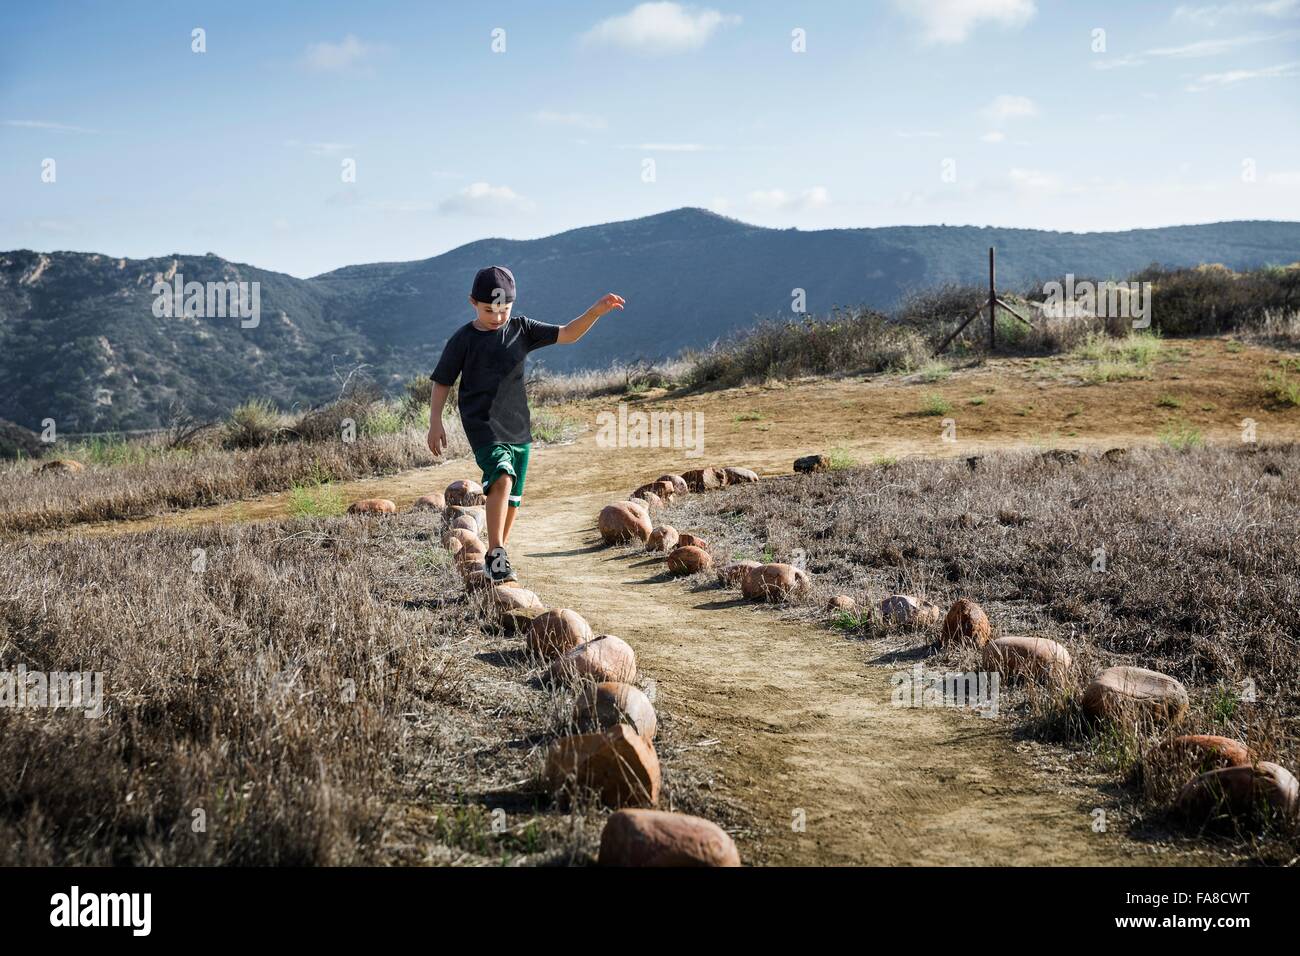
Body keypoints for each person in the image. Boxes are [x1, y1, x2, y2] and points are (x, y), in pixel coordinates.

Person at [427, 265, 625, 583]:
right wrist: (435, 422)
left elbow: (568, 333)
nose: (497, 316)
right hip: (482, 425)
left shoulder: (523, 329)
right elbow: (442, 382)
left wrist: (596, 312)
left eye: (504, 309)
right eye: (489, 310)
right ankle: (495, 554)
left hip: (518, 426)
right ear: (472, 303)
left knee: (514, 498)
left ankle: (499, 552)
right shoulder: (463, 340)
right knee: (502, 476)